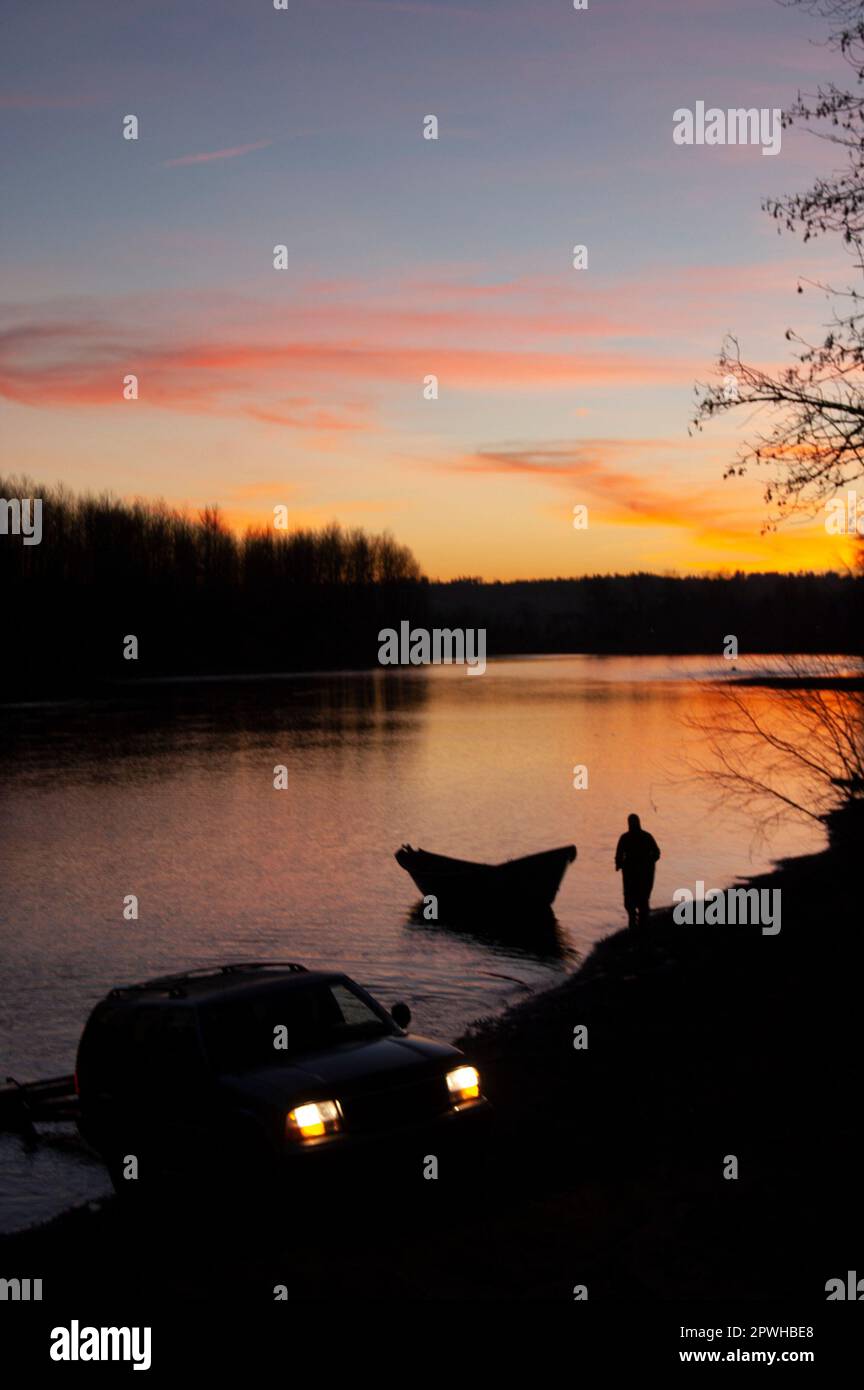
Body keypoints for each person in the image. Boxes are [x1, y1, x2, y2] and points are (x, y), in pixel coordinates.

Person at [615, 813, 660, 929]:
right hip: (633, 873)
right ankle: (635, 923)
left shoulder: (643, 837)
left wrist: (649, 862)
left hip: (643, 873)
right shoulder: (627, 838)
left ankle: (639, 926)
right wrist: (619, 864)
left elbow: (656, 853)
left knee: (641, 900)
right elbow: (619, 855)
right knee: (632, 902)